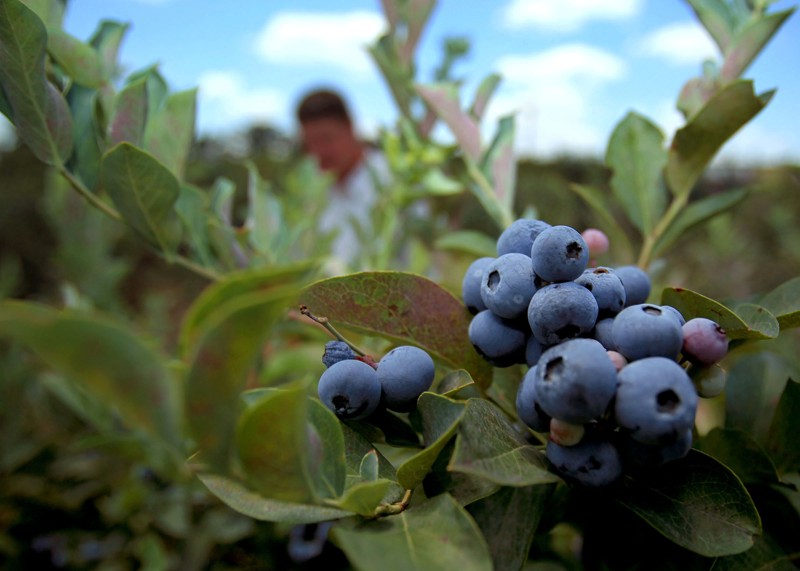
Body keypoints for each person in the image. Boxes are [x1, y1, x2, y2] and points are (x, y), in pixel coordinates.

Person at [295, 88, 392, 269]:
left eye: (326, 139)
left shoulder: (392, 180)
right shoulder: (313, 190)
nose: (319, 151)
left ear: (350, 127)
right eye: (310, 143)